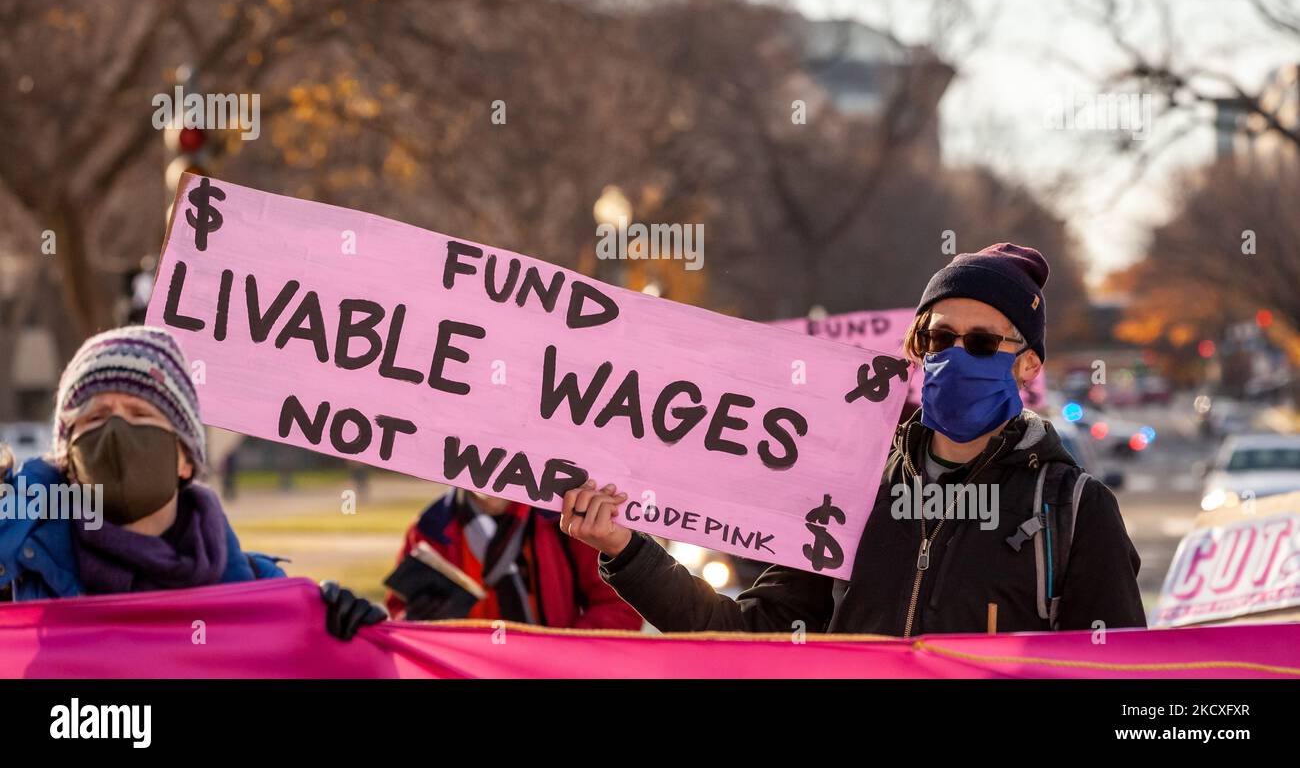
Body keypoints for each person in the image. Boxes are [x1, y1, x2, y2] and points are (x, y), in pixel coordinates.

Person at [561, 243, 1148, 636]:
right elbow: (751, 635)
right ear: (918, 349)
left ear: (1028, 365)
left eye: (982, 344)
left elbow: (1119, 679)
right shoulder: (852, 490)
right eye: (941, 339)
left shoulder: (1073, 511)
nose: (957, 356)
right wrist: (627, 549)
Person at [0, 326, 384, 641]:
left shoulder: (259, 591)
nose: (117, 432)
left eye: (140, 413)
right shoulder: (16, 577)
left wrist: (347, 639)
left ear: (185, 458)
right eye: (96, 417)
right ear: (69, 459)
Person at [387, 487, 642, 630]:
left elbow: (619, 607)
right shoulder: (430, 527)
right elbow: (400, 616)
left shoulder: (564, 519)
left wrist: (560, 654)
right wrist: (416, 621)